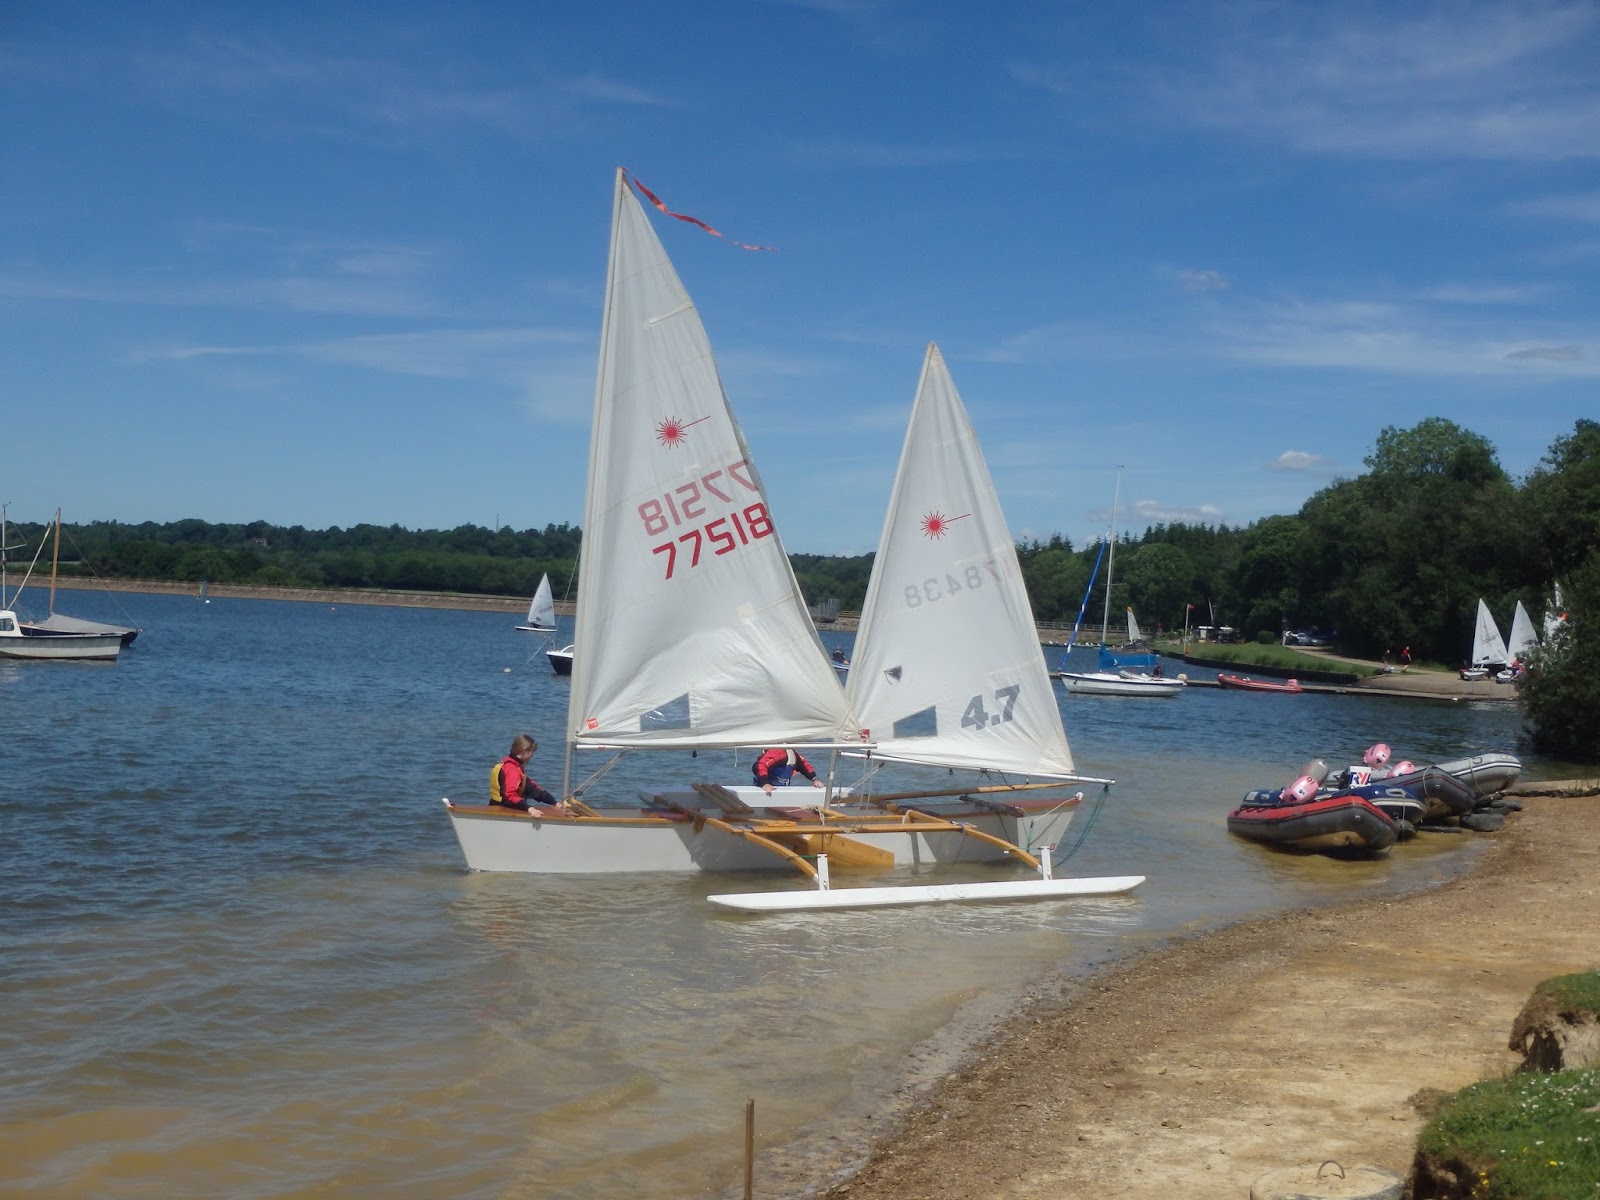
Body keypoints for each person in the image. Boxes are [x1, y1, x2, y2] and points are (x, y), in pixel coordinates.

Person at [490, 734, 559, 810]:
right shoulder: (512, 769)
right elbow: (510, 796)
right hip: (503, 810)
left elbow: (532, 788)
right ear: (525, 751)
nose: (532, 755)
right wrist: (529, 808)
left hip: (497, 807)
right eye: (532, 752)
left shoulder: (512, 766)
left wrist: (554, 802)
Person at [751, 747, 824, 794]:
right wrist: (765, 783)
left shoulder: (792, 753)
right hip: (765, 789)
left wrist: (814, 779)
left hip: (780, 789)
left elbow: (803, 765)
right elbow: (759, 765)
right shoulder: (776, 751)